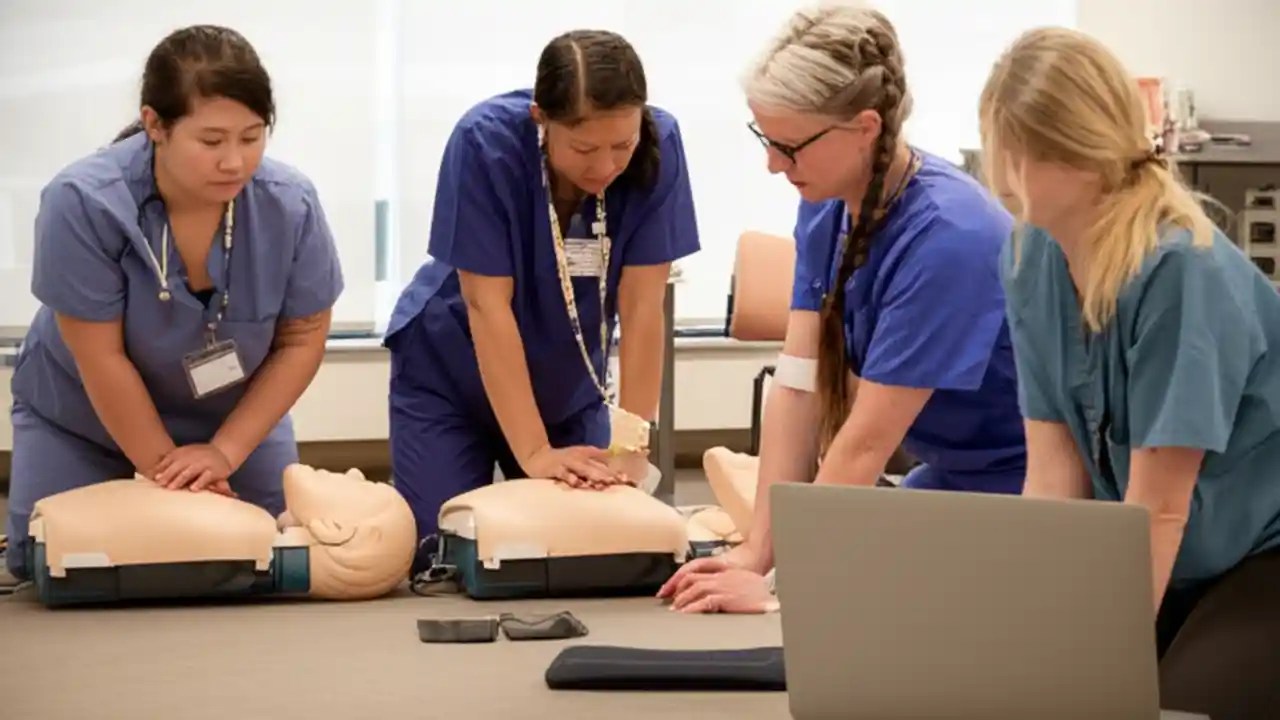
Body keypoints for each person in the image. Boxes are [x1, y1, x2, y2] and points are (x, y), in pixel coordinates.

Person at [657, 2, 1027, 613]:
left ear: (864, 127)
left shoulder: (951, 237)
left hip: (1024, 489)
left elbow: (863, 444)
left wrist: (783, 581)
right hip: (950, 478)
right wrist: (757, 552)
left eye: (789, 145)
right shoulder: (826, 203)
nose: (772, 164)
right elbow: (799, 385)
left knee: (858, 609)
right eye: (765, 138)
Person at [980, 27, 1280, 720]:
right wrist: (1031, 628)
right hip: (1175, 555)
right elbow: (1055, 473)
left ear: (1083, 150)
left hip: (1261, 553)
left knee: (1153, 707)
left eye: (1018, 147)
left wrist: (1086, 661)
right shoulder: (1031, 258)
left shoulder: (1182, 271)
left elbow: (1161, 508)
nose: (1005, 170)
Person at [3, 25, 344, 583]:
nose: (235, 162)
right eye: (211, 141)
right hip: (83, 416)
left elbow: (303, 338)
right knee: (45, 561)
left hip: (231, 418)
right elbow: (101, 359)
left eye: (252, 137)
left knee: (271, 555)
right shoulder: (83, 202)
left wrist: (224, 455)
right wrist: (173, 475)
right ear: (154, 125)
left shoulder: (290, 204)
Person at [384, 29, 700, 570]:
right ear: (540, 118)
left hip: (566, 381)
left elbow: (644, 308)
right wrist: (533, 453)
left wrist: (630, 445)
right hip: (451, 372)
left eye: (621, 146)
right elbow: (487, 306)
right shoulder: (483, 142)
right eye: (583, 149)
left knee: (589, 548)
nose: (605, 167)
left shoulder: (659, 143)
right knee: (440, 554)